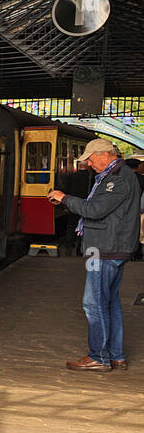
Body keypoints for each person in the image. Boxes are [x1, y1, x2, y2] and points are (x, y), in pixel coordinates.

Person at [48, 138, 141, 371]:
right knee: (110, 304)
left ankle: (98, 357)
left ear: (105, 155)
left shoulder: (117, 179)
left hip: (106, 248)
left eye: (90, 158)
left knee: (94, 304)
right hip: (111, 246)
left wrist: (64, 198)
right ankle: (116, 356)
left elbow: (95, 210)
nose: (88, 164)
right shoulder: (116, 175)